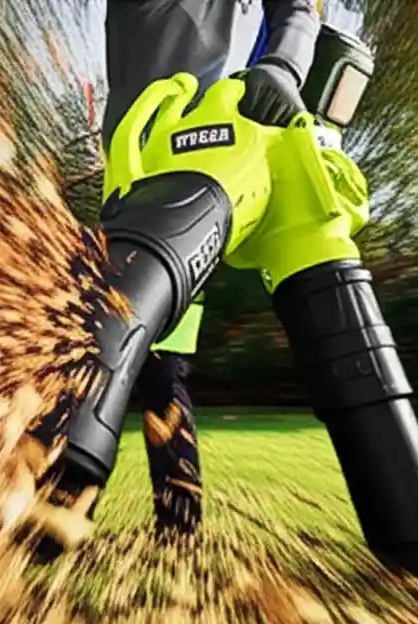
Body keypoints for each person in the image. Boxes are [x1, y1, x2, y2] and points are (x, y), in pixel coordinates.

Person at [36, 0, 321, 542]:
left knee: (144, 351)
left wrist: (283, 66)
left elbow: (300, 10)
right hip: (127, 173)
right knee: (126, 348)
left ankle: (102, 502)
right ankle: (111, 506)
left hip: (201, 171)